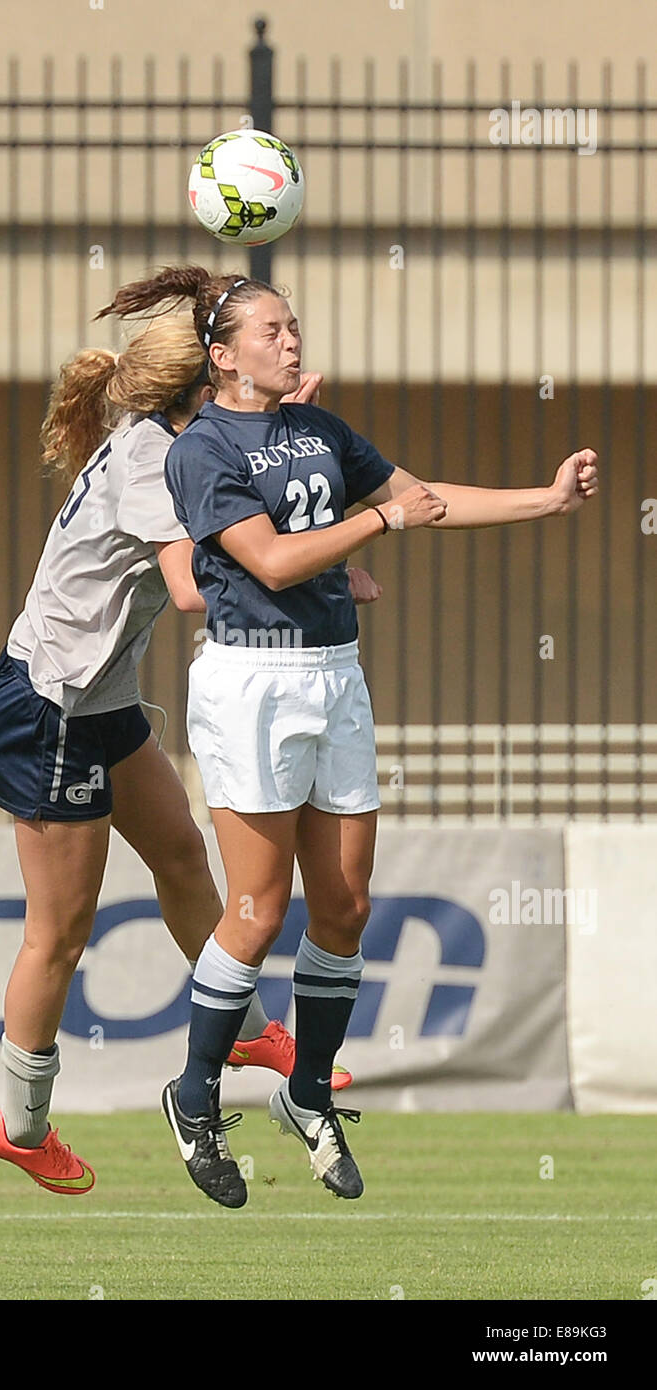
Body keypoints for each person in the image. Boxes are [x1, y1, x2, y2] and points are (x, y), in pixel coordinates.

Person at [105, 263, 599, 1210]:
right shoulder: (200, 448)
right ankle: (196, 1096)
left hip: (335, 676)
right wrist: (380, 518)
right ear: (222, 356)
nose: (292, 342)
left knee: (346, 908)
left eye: (294, 328)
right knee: (255, 911)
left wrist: (546, 499)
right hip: (251, 681)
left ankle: (307, 1093)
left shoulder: (320, 430)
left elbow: (428, 496)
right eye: (272, 332)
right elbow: (274, 562)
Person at [0, 313, 371, 1195]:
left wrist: (284, 454)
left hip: (100, 699)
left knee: (185, 858)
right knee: (59, 933)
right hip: (51, 707)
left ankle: (252, 1031)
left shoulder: (164, 433)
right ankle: (21, 1126)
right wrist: (307, 527)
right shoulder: (157, 458)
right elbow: (195, 588)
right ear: (203, 389)